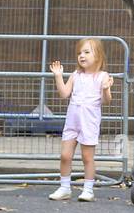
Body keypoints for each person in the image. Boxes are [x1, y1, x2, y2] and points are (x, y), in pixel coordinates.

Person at [48, 39, 114, 201]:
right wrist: (58, 76)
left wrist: (106, 89)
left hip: (89, 123)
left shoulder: (102, 76)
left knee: (87, 158)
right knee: (65, 155)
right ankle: (64, 188)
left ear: (98, 55)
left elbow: (106, 100)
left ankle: (88, 190)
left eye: (86, 52)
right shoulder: (75, 75)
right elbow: (64, 93)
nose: (82, 56)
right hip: (72, 122)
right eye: (79, 53)